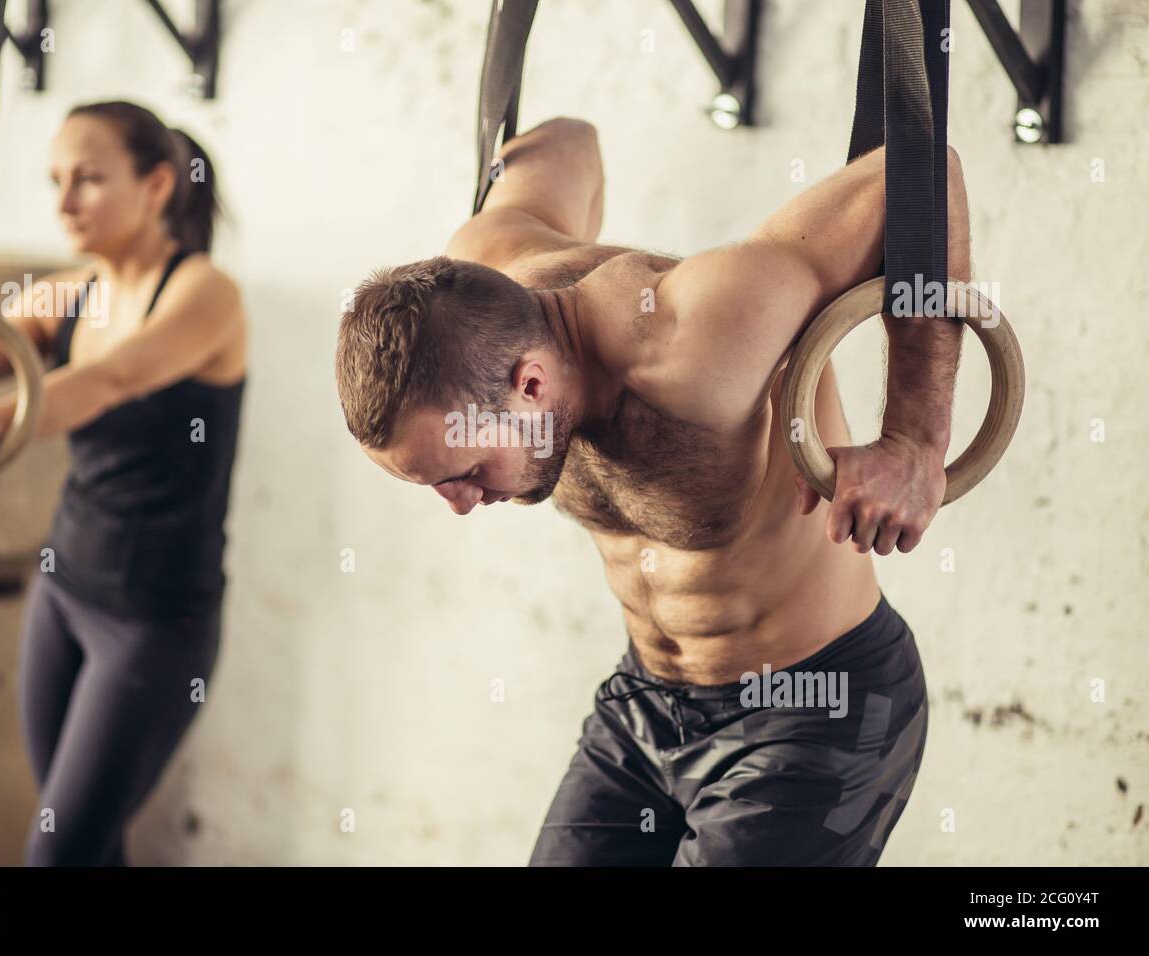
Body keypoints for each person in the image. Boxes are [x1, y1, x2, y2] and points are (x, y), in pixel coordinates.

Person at [335, 116, 970, 865]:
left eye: (466, 473)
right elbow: (570, 140)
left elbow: (923, 171)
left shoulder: (702, 329)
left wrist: (914, 439)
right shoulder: (485, 271)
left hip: (813, 709)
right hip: (644, 704)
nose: (463, 503)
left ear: (530, 383)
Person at [0, 100, 248, 865]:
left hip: (155, 627)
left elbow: (107, 379)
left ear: (158, 185)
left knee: (57, 853)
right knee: (86, 846)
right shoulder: (64, 295)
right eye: (56, 180)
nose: (64, 201)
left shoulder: (206, 295)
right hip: (62, 593)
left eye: (89, 179)